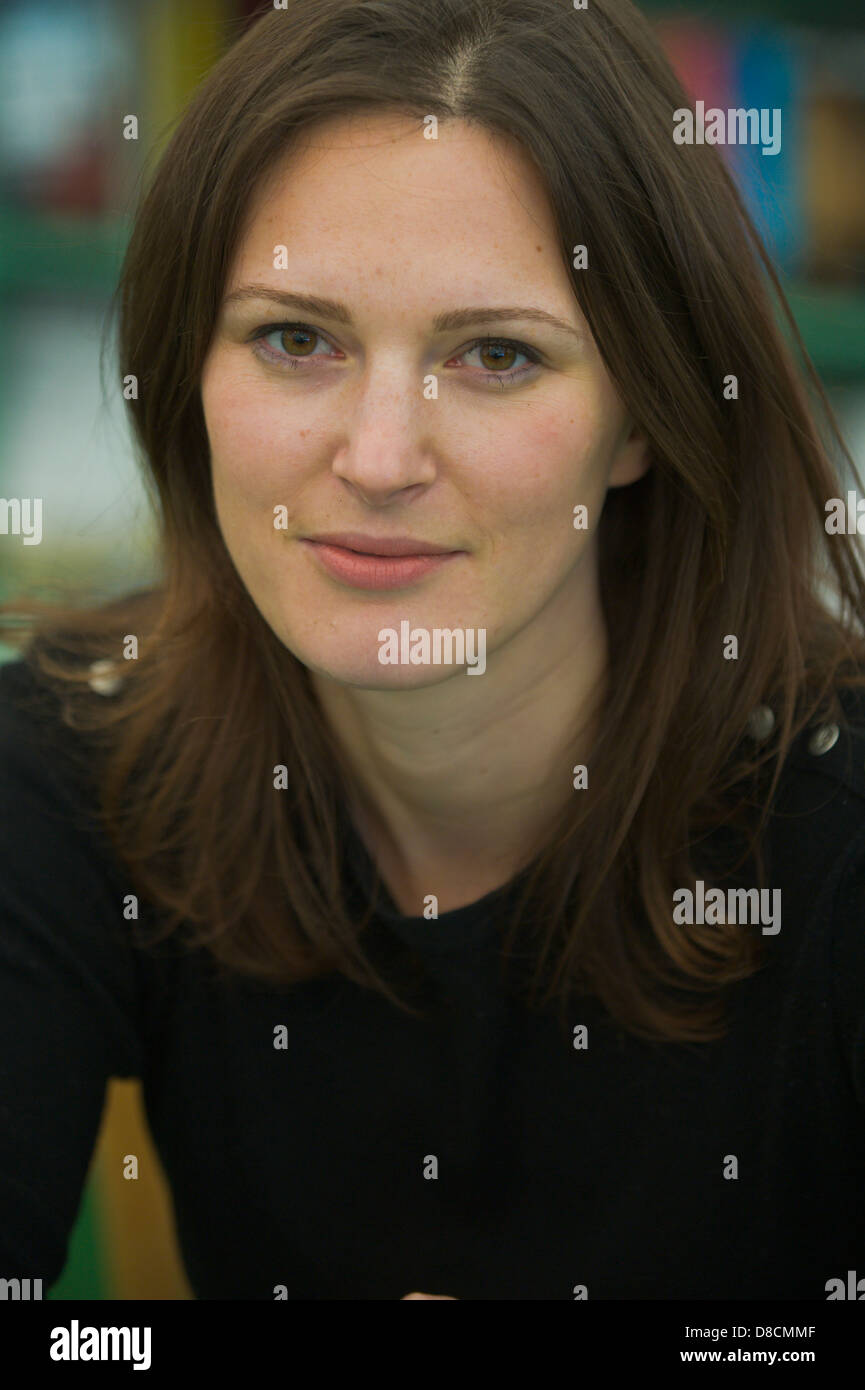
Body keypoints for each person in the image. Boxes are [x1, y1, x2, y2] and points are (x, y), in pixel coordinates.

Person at [1, 0, 864, 1301]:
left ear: (641, 416)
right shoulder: (65, 756)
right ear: (187, 370)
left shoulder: (839, 827)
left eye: (497, 356)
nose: (379, 458)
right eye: (296, 339)